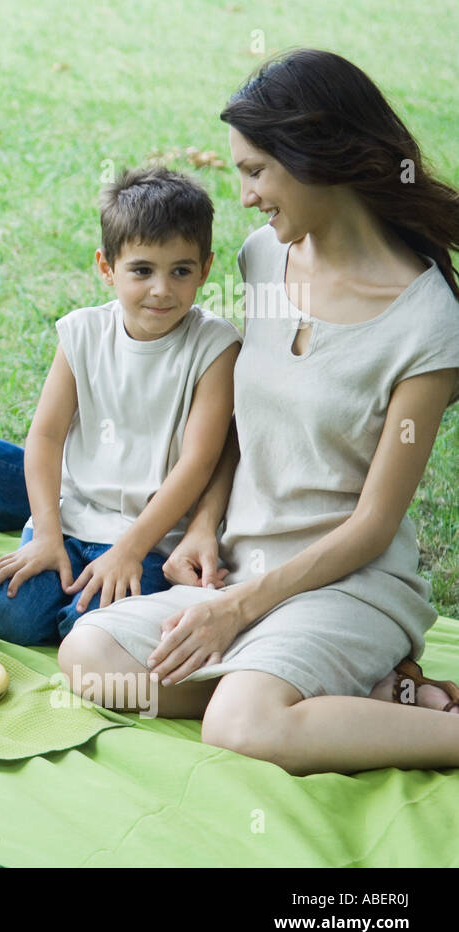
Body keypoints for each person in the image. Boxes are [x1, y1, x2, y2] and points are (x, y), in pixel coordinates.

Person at [58, 49, 459, 774]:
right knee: (90, 655)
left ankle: (374, 698)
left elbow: (373, 523)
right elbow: (247, 423)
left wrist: (239, 612)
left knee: (238, 724)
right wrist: (206, 525)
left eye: (255, 171)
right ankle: (366, 693)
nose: (243, 196)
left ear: (316, 158)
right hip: (241, 569)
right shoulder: (261, 261)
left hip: (350, 582)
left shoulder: (427, 325)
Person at [0, 168, 241, 645]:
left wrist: (130, 550)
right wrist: (47, 535)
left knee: (91, 628)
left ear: (206, 269)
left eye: (181, 270)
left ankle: (77, 609)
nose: (161, 289)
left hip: (151, 539)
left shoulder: (214, 346)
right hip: (71, 521)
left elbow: (199, 461)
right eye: (141, 270)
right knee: (7, 614)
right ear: (106, 267)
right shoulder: (82, 333)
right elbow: (46, 437)